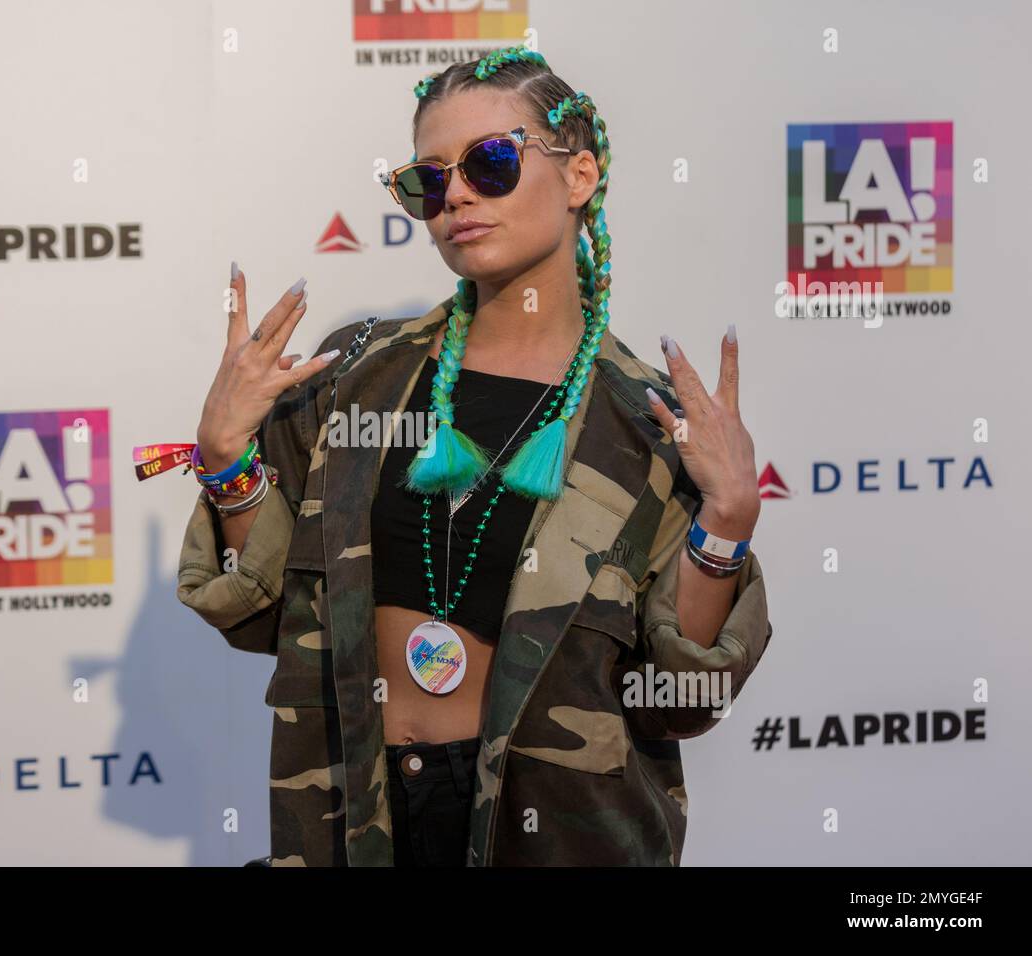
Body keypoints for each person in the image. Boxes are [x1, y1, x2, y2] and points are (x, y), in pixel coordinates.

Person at [178, 45, 773, 866]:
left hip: (555, 832)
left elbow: (681, 699)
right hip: (356, 820)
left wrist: (728, 524)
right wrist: (226, 463)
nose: (454, 192)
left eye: (491, 162)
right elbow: (259, 615)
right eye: (427, 179)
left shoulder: (645, 422)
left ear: (579, 177)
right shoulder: (356, 377)